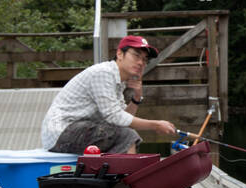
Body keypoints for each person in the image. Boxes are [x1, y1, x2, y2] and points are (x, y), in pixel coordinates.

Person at [41, 35, 177, 154]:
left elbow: (123, 120)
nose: (141, 62)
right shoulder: (104, 73)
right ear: (119, 54)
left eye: (145, 59)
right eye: (136, 55)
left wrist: (136, 97)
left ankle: (120, 179)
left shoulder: (118, 80)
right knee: (127, 136)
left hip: (76, 130)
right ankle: (128, 181)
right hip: (61, 130)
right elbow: (115, 117)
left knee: (122, 133)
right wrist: (155, 125)